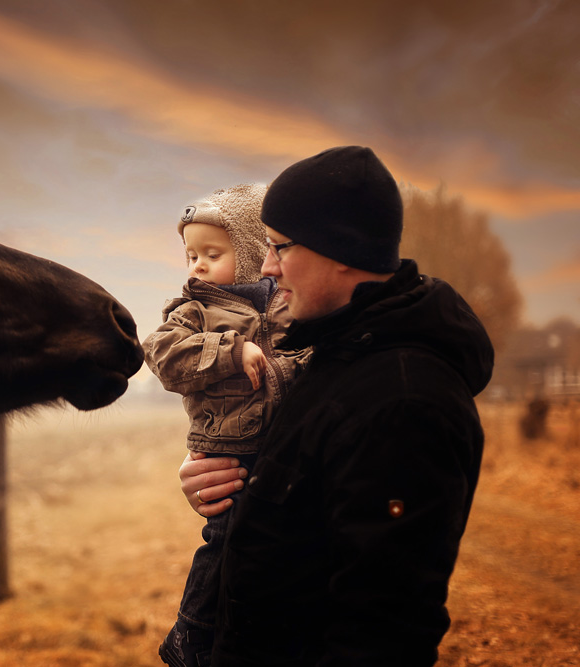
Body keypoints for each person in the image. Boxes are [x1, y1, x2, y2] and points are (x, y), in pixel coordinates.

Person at [180, 146, 494, 666]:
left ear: (340, 250)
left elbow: (380, 636)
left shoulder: (405, 402)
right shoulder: (335, 351)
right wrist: (214, 472)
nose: (266, 267)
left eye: (280, 247)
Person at [143, 184, 310, 667]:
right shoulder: (193, 311)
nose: (195, 265)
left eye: (211, 254)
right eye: (191, 254)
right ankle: (191, 633)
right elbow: (162, 354)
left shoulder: (290, 307)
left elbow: (311, 358)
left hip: (283, 447)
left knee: (271, 548)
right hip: (226, 448)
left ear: (256, 251)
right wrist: (229, 349)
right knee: (225, 540)